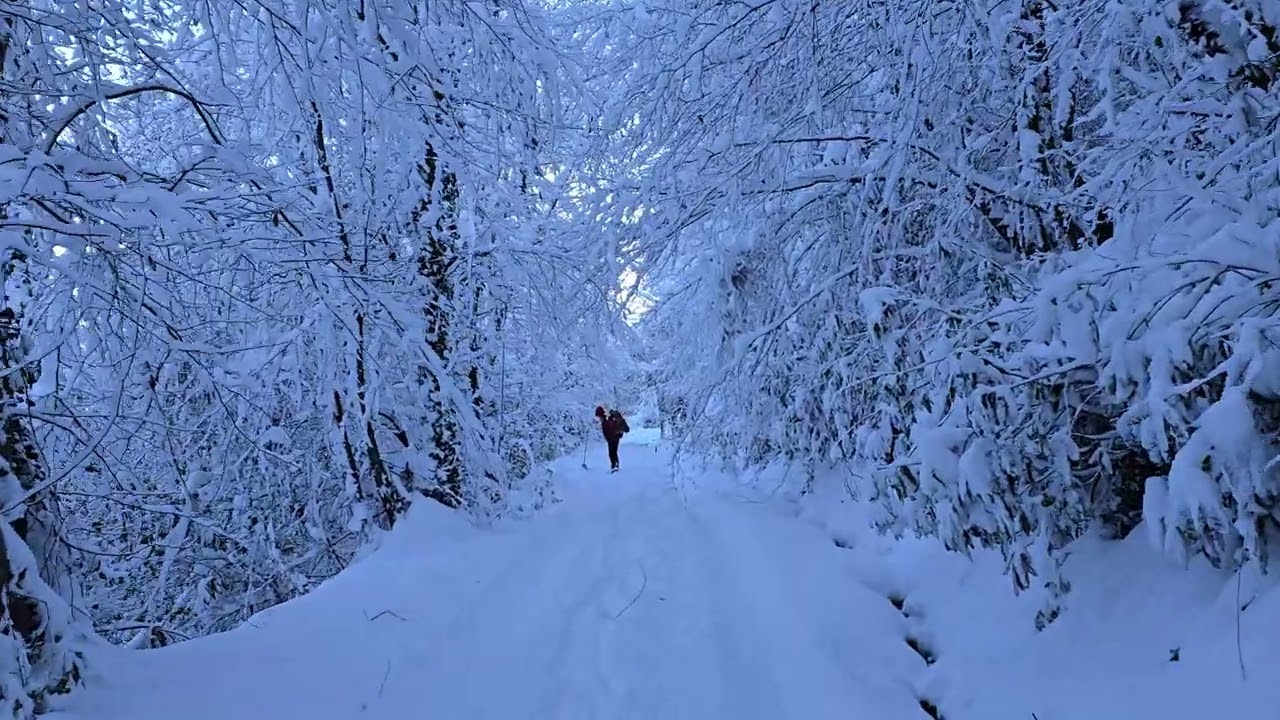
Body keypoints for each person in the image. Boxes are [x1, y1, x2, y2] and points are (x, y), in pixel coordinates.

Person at [595, 405, 630, 472]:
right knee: (613, 452)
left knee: (612, 453)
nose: (599, 419)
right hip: (614, 438)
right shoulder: (606, 420)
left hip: (613, 438)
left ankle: (615, 466)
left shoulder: (606, 421)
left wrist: (611, 436)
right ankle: (615, 466)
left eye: (599, 417)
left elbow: (610, 430)